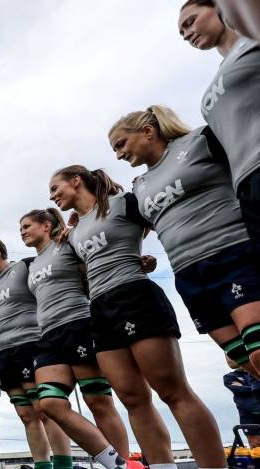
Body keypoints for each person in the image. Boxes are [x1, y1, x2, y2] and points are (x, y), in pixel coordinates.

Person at [53, 164, 235, 469]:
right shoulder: (74, 232)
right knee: (132, 398)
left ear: (76, 180)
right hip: (101, 308)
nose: (52, 196)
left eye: (56, 187)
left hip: (136, 296)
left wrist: (146, 259)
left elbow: (166, 219)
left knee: (172, 390)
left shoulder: (124, 203)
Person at [109, 105, 260, 378]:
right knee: (243, 359)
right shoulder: (139, 185)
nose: (119, 154)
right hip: (188, 274)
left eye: (121, 144)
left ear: (147, 131)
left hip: (233, 254)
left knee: (258, 348)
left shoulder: (201, 141)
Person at [20, 208, 138, 469]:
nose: (22, 231)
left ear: (46, 225)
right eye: (20, 228)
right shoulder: (32, 265)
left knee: (98, 401)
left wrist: (142, 261)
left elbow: (98, 262)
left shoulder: (68, 243)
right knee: (49, 403)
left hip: (80, 324)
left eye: (27, 226)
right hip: (48, 335)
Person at [0, 237, 77, 469]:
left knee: (46, 411)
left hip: (33, 344)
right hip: (6, 352)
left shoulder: (25, 266)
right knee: (27, 416)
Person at [179, 1, 260, 253]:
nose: (187, 34)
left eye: (190, 22)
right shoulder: (217, 75)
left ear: (219, 8)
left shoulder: (253, 38)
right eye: (182, 33)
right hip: (246, 187)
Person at [224, 358, 260, 449]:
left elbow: (245, 389)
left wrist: (246, 387)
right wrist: (255, 387)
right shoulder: (230, 377)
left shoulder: (256, 372)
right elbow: (239, 390)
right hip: (248, 416)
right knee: (255, 444)